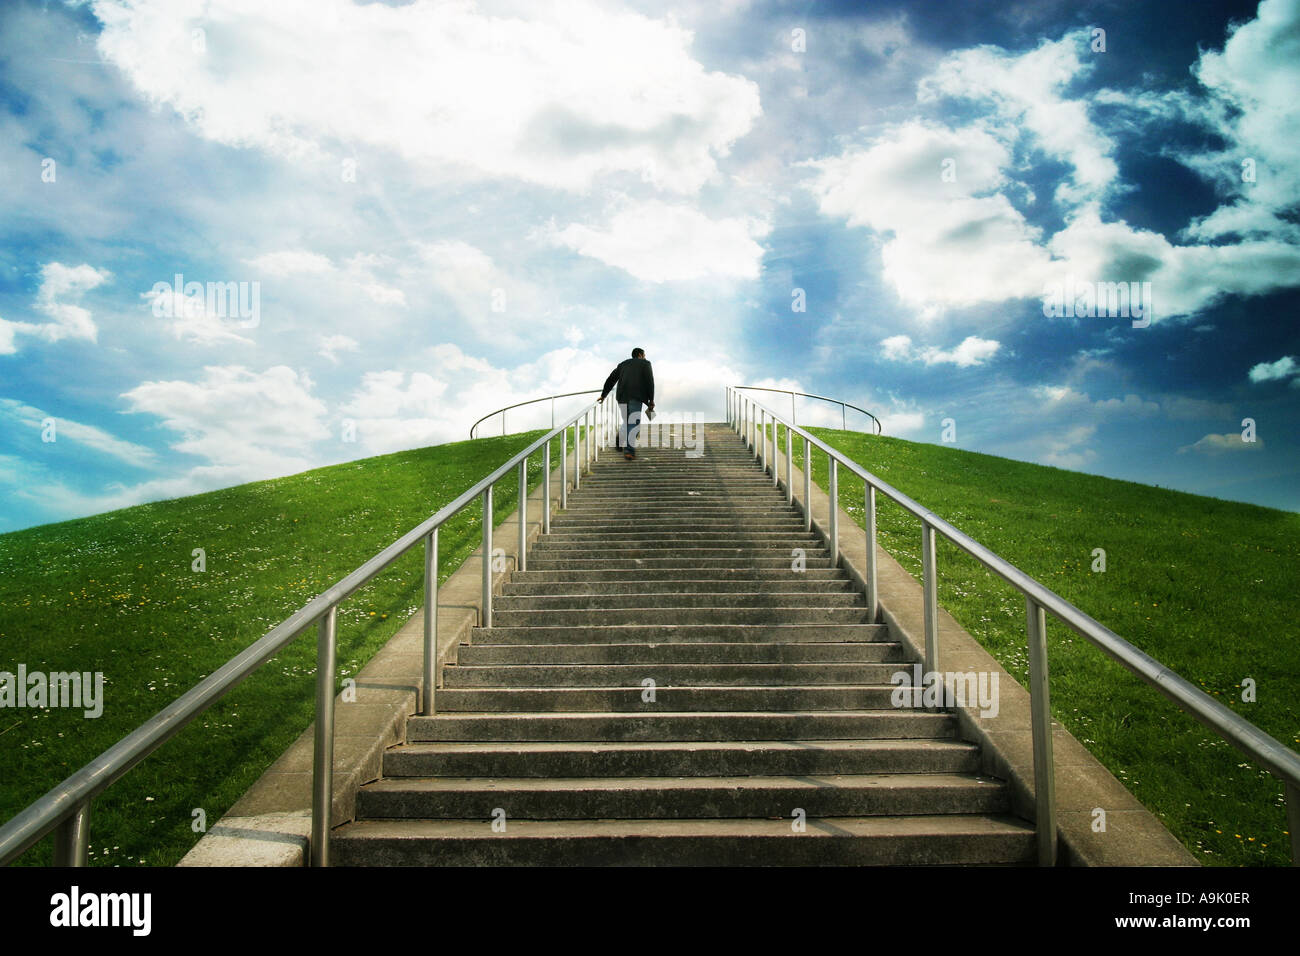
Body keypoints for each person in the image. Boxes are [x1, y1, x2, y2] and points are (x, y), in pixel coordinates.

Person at [598, 347, 655, 459]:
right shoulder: (645, 363)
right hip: (636, 397)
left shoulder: (622, 364)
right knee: (634, 424)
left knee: (628, 421)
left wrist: (604, 394)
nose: (645, 357)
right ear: (640, 355)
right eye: (644, 355)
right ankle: (629, 451)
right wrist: (651, 400)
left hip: (621, 398)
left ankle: (620, 440)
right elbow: (650, 381)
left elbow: (611, 379)